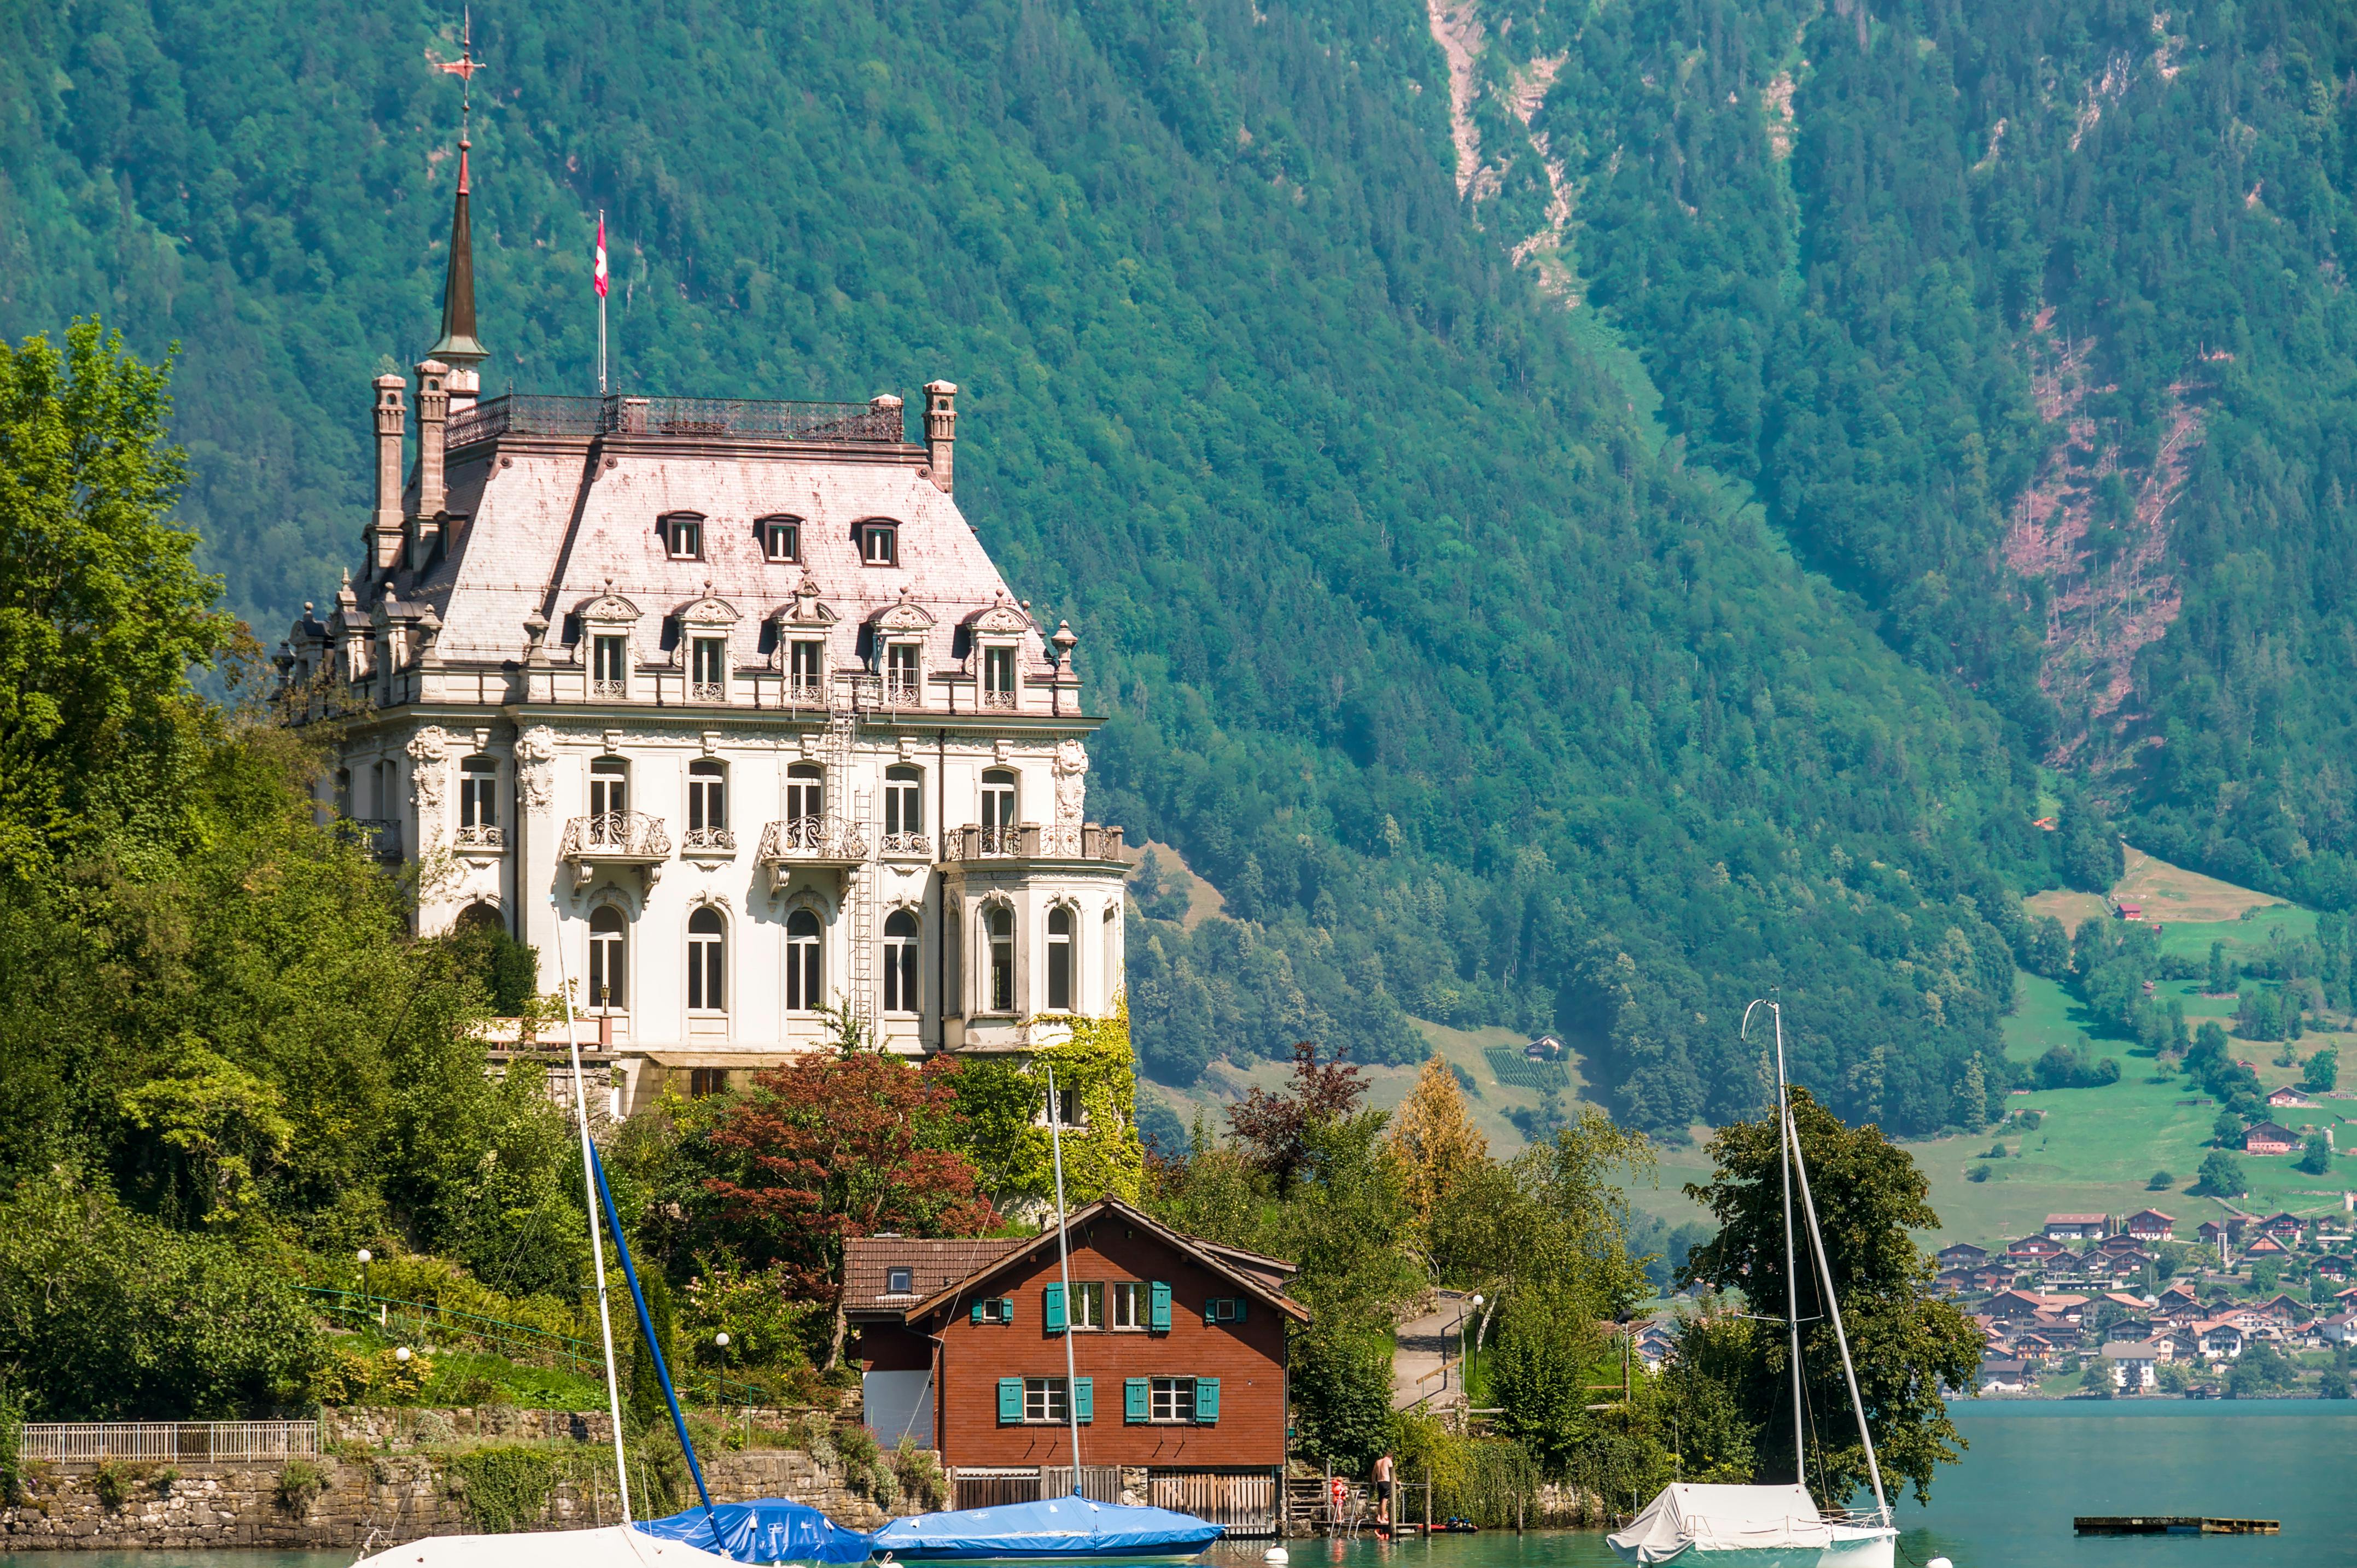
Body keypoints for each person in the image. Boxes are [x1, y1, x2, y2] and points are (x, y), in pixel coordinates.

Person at [1373, 1452, 1395, 1530]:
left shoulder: (1378, 1462)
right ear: (1391, 1457)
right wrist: (1396, 1482)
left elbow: (1374, 1474)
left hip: (1379, 1483)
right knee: (1384, 1501)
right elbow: (1392, 1473)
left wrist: (1373, 1482)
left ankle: (1379, 1517)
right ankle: (1382, 1519)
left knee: (1380, 1501)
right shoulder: (1389, 1461)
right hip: (1386, 1482)